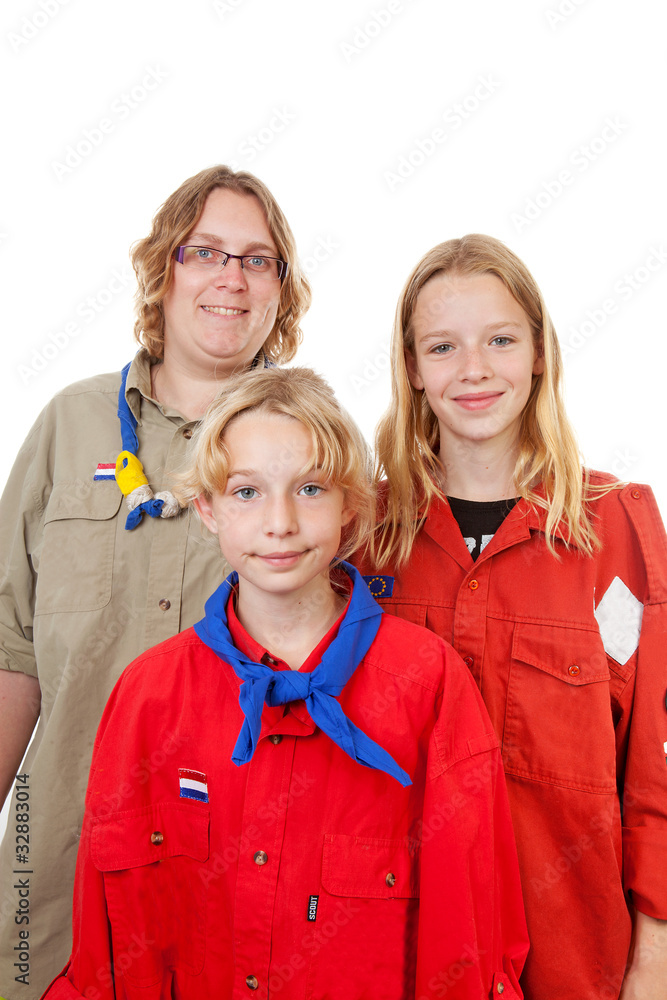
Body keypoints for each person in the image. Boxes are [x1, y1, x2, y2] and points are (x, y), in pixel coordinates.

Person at [40, 365, 527, 1000]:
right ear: (207, 507)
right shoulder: (147, 697)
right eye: (246, 492)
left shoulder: (429, 686)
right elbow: (100, 954)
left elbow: (467, 951)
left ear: (351, 502)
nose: (279, 523)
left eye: (310, 489)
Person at [0, 164, 311, 1000]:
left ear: (282, 290)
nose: (231, 277)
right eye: (204, 250)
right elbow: (11, 656)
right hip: (53, 860)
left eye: (259, 259)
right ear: (162, 271)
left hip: (230, 868)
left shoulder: (311, 452)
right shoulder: (70, 425)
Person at [354, 234, 667, 1000]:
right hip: (394, 954)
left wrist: (653, 961)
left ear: (536, 352)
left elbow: (655, 770)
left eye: (499, 339)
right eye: (442, 346)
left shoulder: (617, 529)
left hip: (572, 960)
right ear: (413, 369)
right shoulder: (363, 538)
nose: (473, 370)